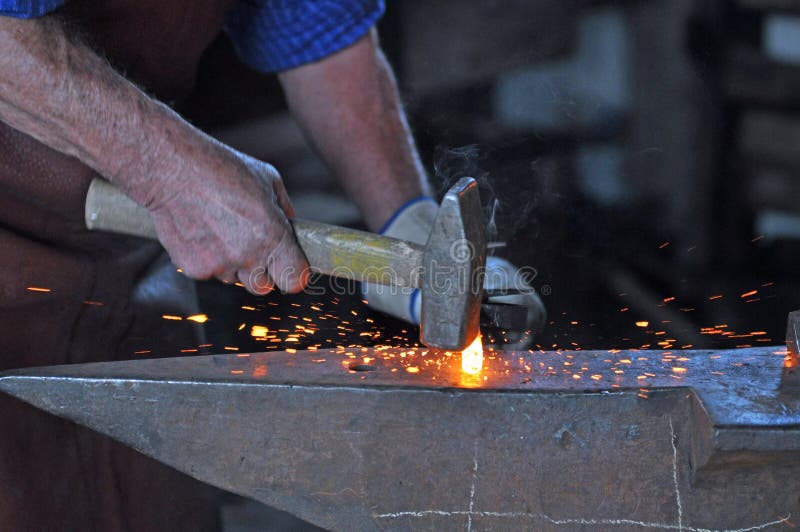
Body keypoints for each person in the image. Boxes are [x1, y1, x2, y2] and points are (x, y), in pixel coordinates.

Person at [0, 1, 543, 528]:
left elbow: (323, 35)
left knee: (157, 500)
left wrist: (408, 223)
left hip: (137, 251)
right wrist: (165, 168)